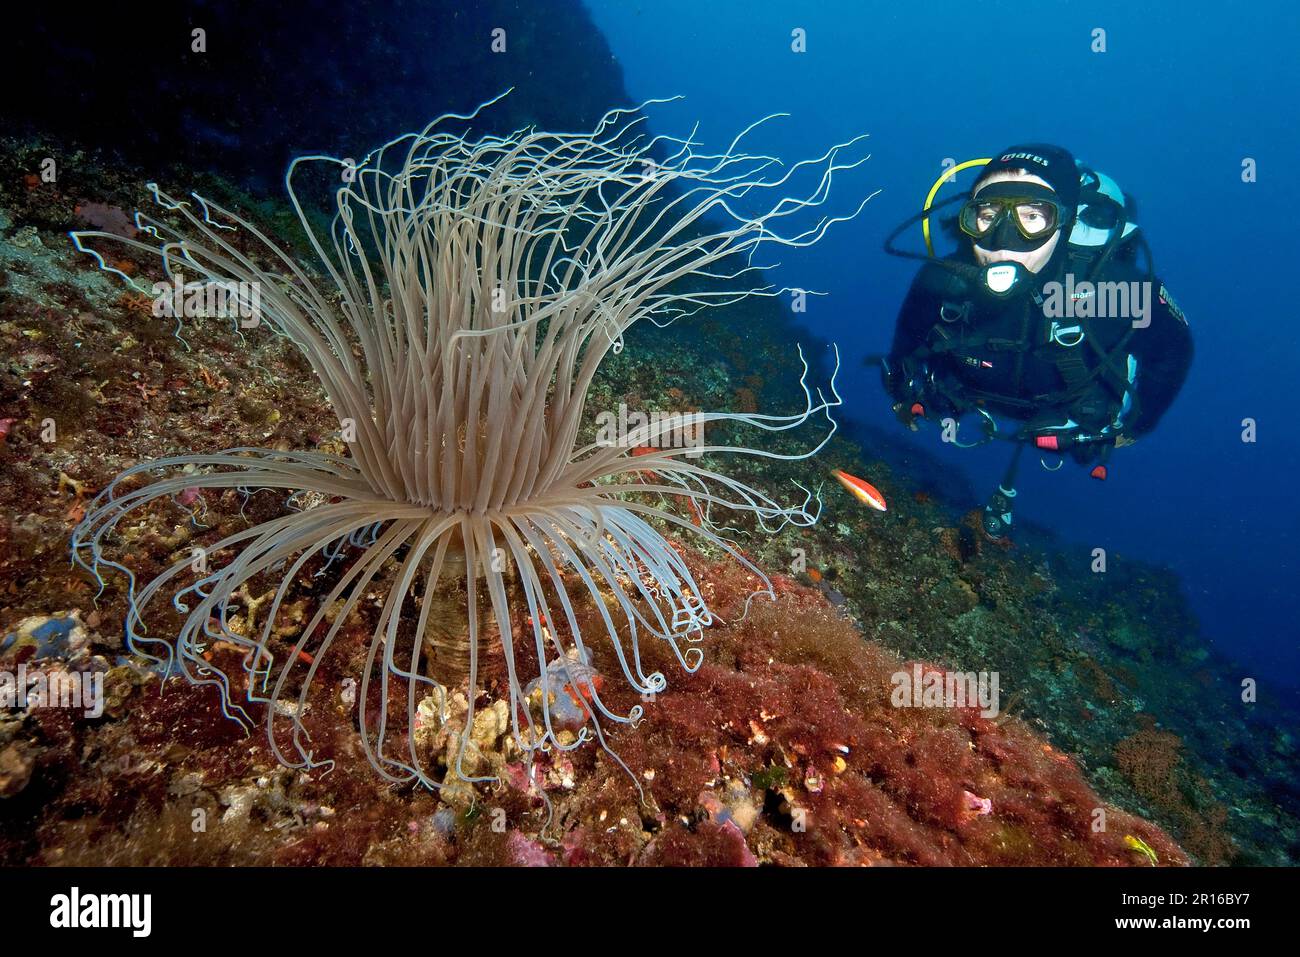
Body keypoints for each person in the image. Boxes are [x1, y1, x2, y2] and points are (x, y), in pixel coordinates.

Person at [880, 143, 1193, 540]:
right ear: (968, 219)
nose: (1004, 238)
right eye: (988, 215)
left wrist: (1138, 423)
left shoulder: (1110, 290)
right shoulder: (946, 281)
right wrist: (904, 385)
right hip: (975, 392)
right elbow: (907, 338)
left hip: (1068, 414)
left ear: (1063, 222)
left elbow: (1175, 347)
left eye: (1032, 217)